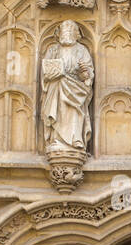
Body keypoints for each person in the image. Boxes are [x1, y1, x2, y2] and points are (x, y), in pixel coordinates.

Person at [40, 19, 94, 152]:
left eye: (70, 31)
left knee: (74, 112)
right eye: (64, 31)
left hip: (76, 88)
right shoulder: (53, 50)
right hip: (56, 87)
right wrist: (53, 72)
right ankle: (57, 139)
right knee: (58, 110)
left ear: (76, 34)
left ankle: (75, 139)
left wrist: (84, 72)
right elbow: (45, 71)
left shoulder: (82, 50)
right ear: (59, 34)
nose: (67, 33)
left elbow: (87, 75)